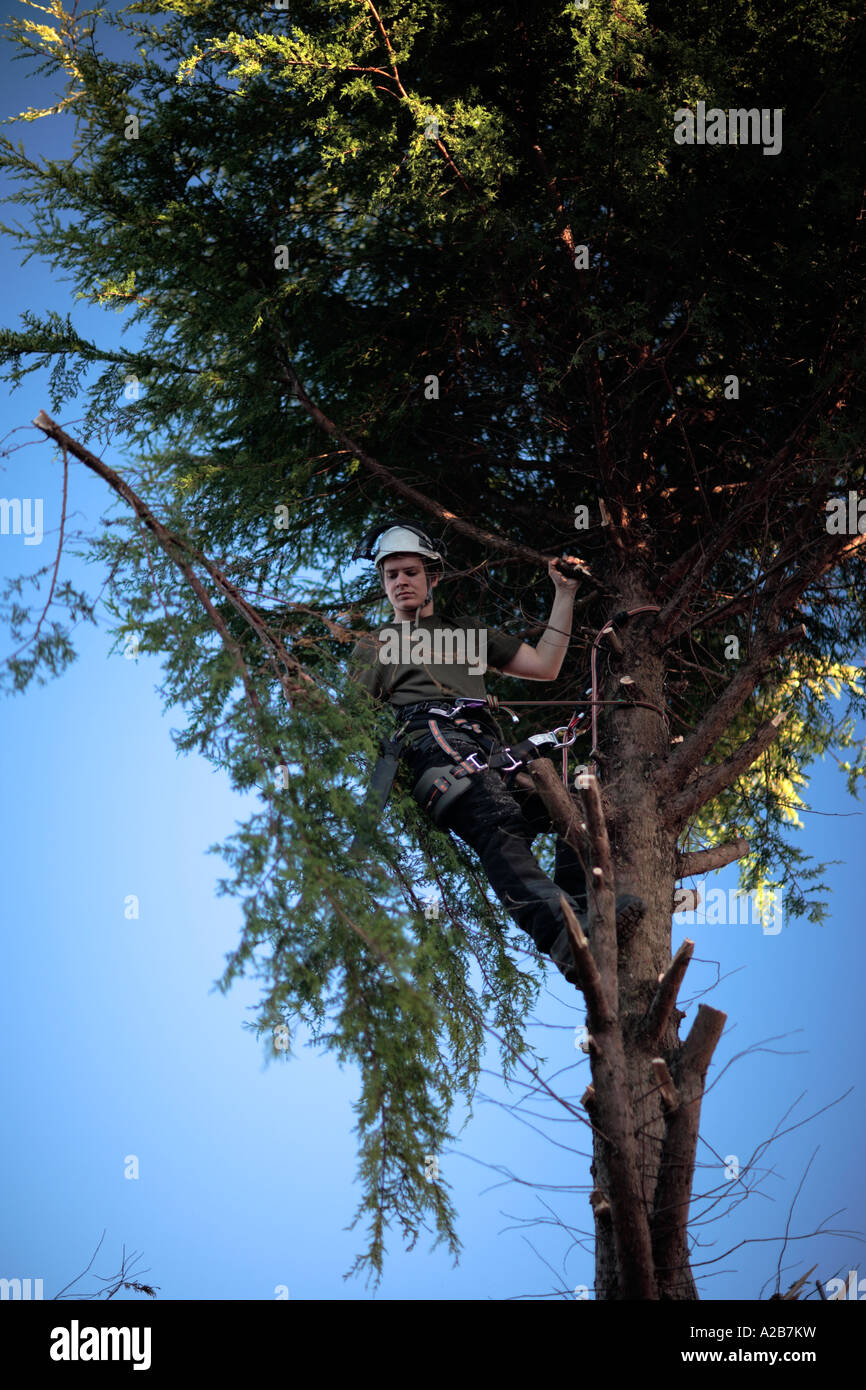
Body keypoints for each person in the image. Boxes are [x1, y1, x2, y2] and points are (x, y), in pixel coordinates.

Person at [348, 521, 644, 984]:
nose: (400, 582)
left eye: (409, 572)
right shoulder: (376, 646)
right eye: (390, 576)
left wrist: (563, 593)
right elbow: (350, 718)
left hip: (487, 748)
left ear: (433, 577)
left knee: (573, 807)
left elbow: (545, 666)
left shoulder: (469, 634)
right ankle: (562, 937)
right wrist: (303, 695)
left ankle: (585, 916)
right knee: (496, 822)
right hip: (432, 743)